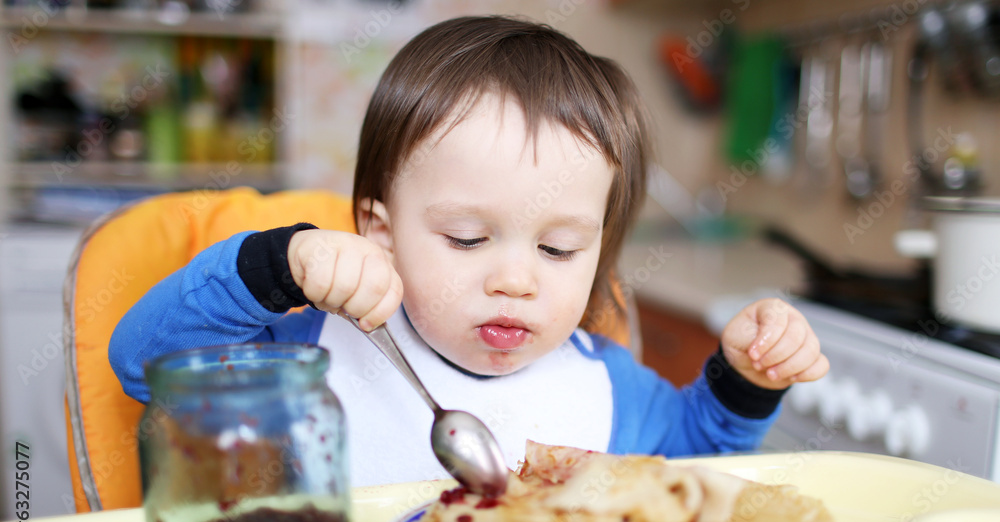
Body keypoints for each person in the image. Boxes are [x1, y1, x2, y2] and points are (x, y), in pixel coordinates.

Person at [110, 15, 829, 487]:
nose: (515, 279)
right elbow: (143, 365)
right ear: (381, 232)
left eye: (558, 248)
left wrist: (744, 380)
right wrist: (276, 267)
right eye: (467, 238)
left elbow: (700, 459)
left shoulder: (607, 386)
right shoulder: (310, 355)